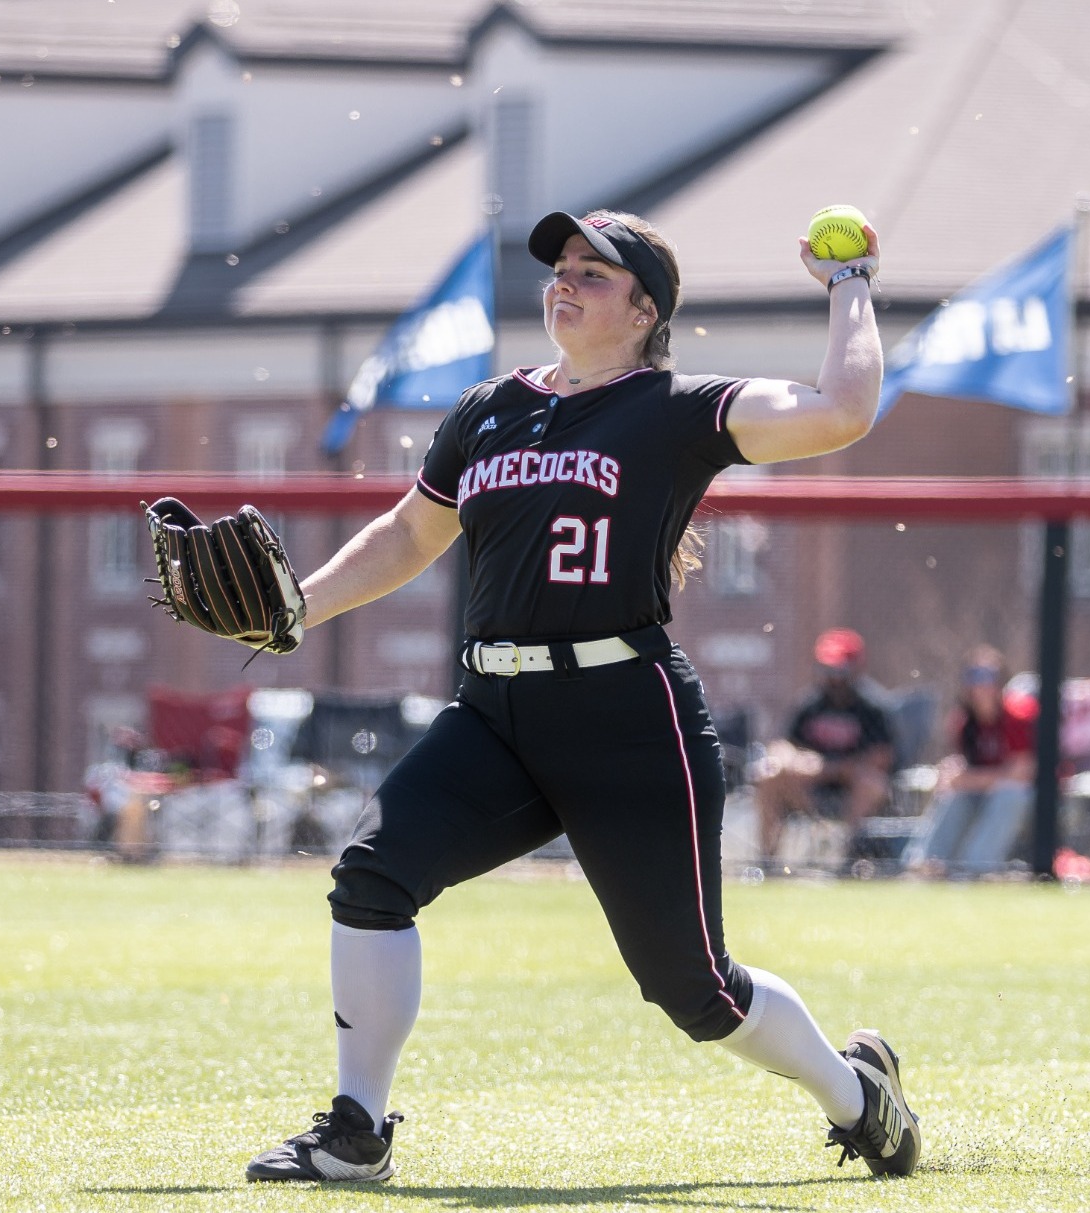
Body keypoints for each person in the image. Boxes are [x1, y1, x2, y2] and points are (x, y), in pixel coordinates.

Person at [241, 209, 920, 1183]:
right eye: (559, 267)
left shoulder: (677, 407)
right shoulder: (485, 410)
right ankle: (356, 1129)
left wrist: (848, 288)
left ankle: (858, 1097)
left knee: (695, 992)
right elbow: (405, 536)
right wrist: (298, 608)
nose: (564, 282)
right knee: (371, 876)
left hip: (626, 720)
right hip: (494, 716)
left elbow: (839, 410)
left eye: (592, 275)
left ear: (645, 309)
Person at [753, 628, 895, 865]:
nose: (834, 677)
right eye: (828, 669)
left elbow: (881, 758)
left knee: (870, 783)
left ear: (856, 669)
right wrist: (793, 761)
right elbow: (782, 745)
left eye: (841, 670)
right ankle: (767, 861)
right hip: (810, 792)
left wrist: (828, 768)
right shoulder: (811, 704)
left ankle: (844, 857)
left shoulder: (872, 707)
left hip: (850, 791)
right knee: (770, 776)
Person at [904, 646, 1035, 875]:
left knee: (1009, 793)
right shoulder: (964, 721)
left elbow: (1022, 773)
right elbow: (965, 764)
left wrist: (967, 780)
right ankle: (926, 863)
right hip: (984, 790)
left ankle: (975, 869)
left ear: (1000, 682)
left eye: (988, 677)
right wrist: (951, 773)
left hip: (1029, 794)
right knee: (954, 793)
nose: (980, 685)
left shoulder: (1018, 714)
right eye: (973, 676)